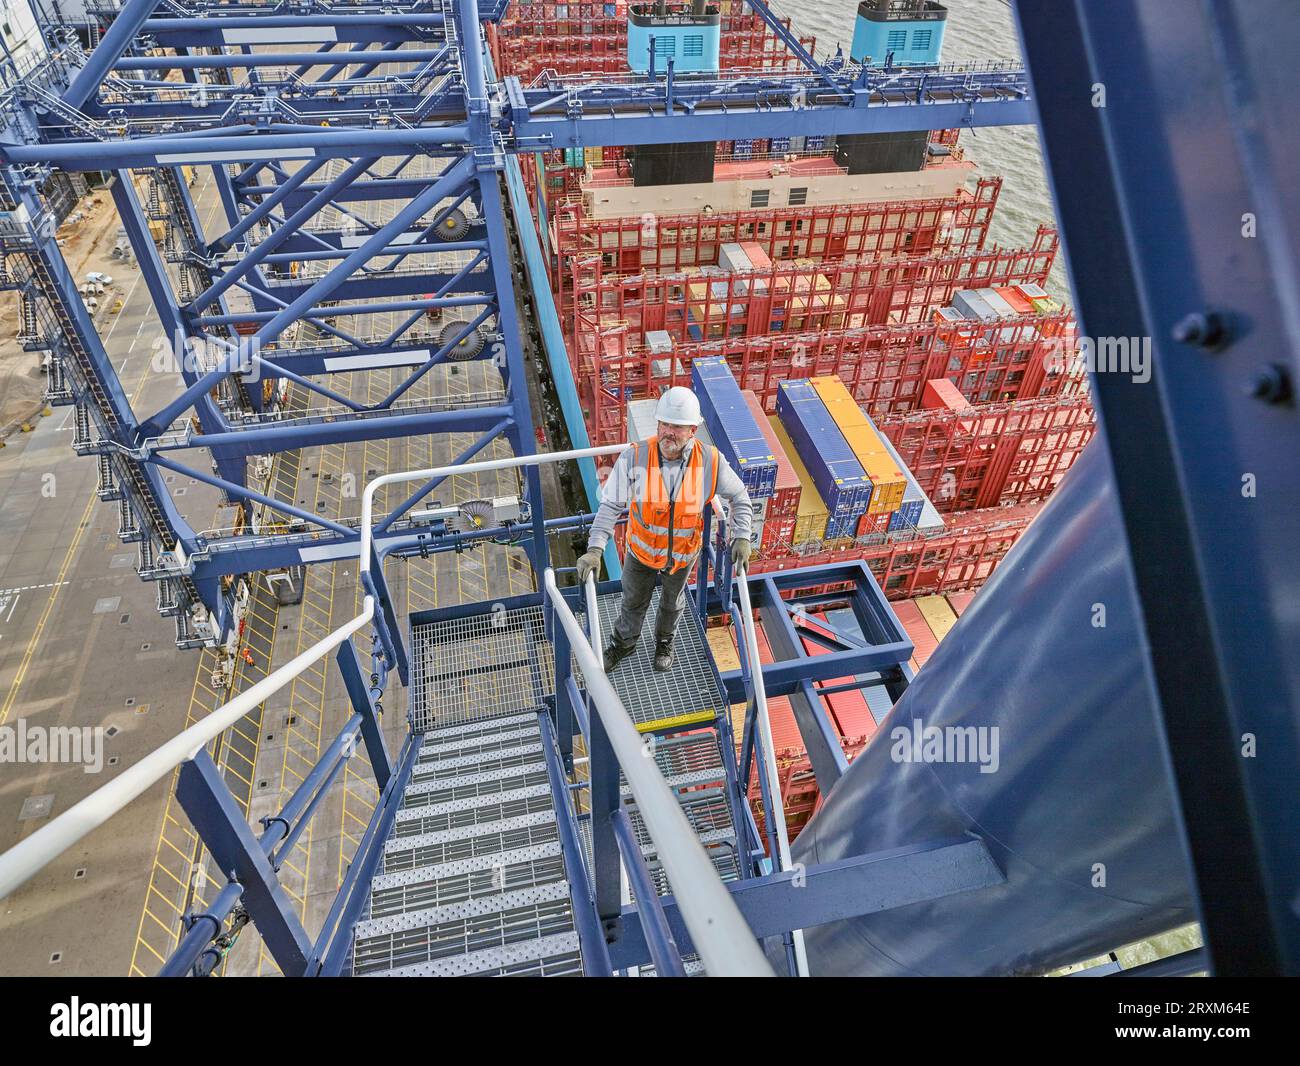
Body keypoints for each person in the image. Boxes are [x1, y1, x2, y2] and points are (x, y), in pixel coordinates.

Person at [575, 386, 753, 673]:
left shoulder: (710, 461)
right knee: (633, 602)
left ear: (692, 430)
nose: (669, 432)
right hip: (640, 552)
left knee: (672, 604)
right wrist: (595, 549)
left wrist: (742, 536)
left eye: (678, 427)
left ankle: (664, 643)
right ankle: (623, 644)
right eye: (665, 424)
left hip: (682, 556)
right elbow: (610, 506)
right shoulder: (635, 458)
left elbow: (740, 497)